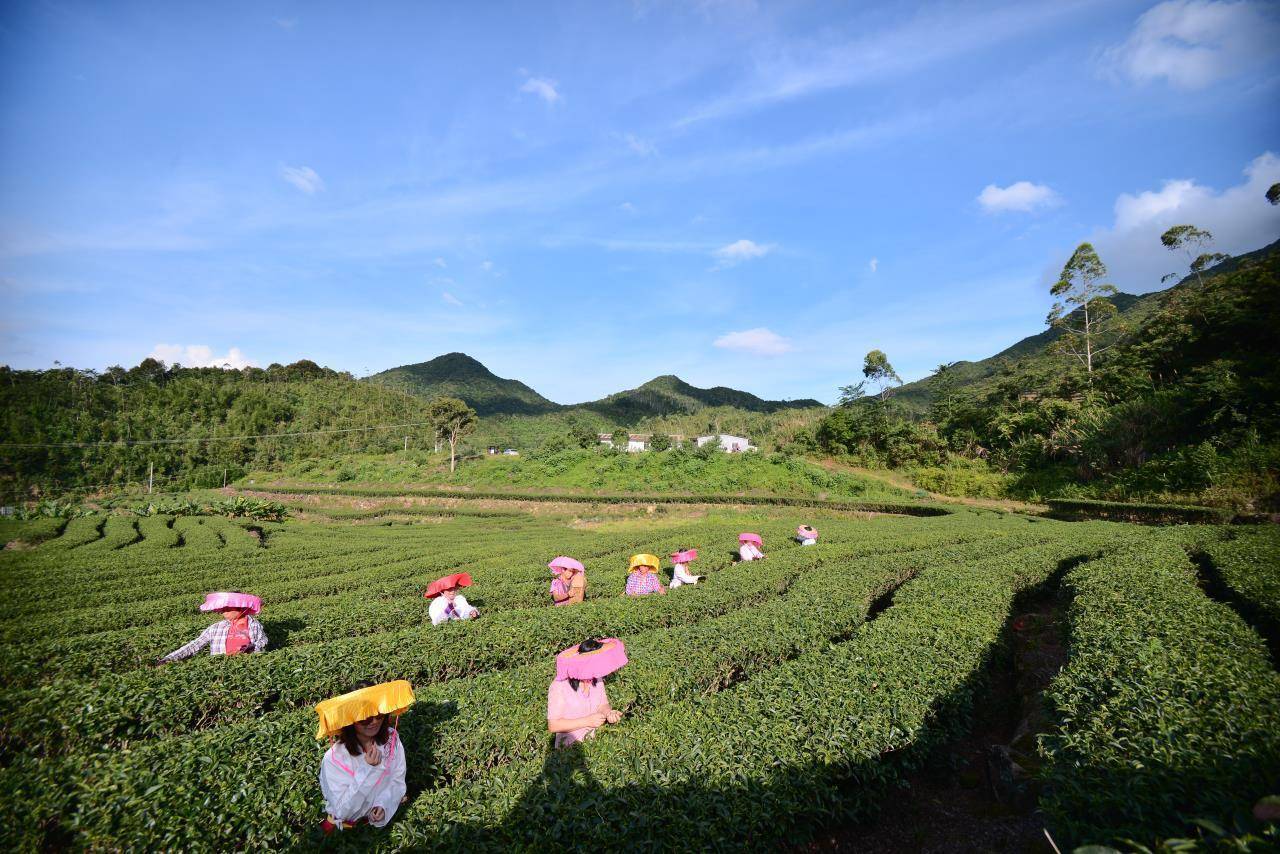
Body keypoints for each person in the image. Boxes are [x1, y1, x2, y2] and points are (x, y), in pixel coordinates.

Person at [315, 680, 414, 832]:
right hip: (349, 833)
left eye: (378, 715)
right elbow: (343, 811)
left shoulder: (391, 738)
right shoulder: (333, 759)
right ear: (351, 720)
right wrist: (368, 769)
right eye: (365, 719)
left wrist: (383, 804)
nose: (374, 722)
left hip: (384, 823)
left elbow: (397, 780)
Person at [547, 637, 627, 749]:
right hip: (569, 751)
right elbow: (553, 725)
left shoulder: (596, 678)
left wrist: (609, 713)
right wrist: (587, 721)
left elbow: (602, 704)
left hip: (595, 745)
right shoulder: (559, 686)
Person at [157, 592, 267, 664]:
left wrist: (252, 648)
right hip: (218, 669)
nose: (223, 611)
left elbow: (262, 643)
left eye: (228, 608)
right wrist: (169, 659)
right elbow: (195, 644)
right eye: (223, 608)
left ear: (241, 607)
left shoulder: (253, 625)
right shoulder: (217, 628)